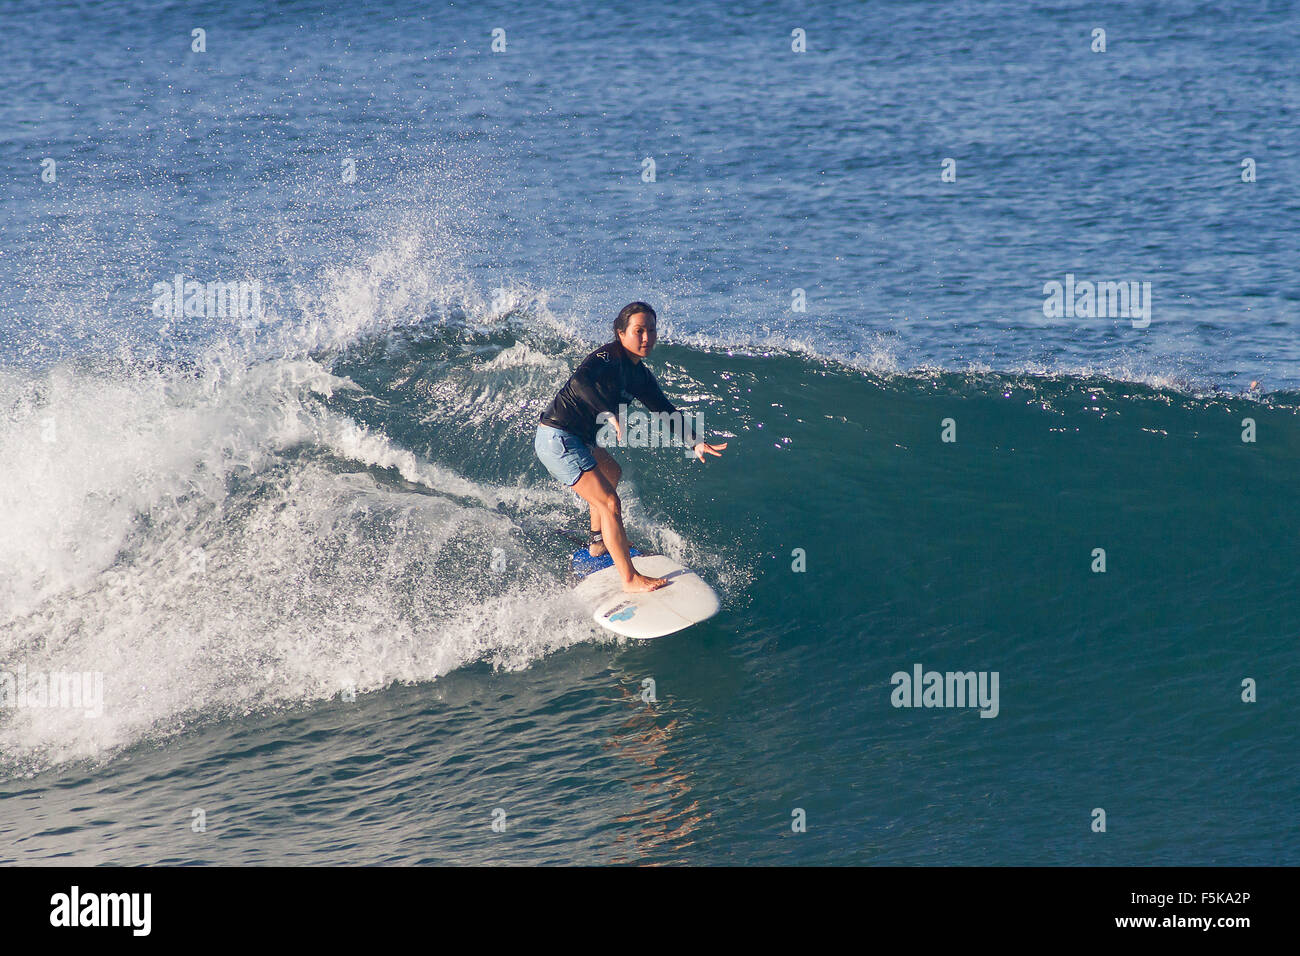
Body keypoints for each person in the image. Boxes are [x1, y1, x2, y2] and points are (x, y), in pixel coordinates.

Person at [534, 302, 727, 592]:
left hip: (580, 440)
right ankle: (630, 580)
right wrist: (607, 412)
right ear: (621, 333)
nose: (647, 337)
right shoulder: (606, 357)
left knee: (611, 471)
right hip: (558, 437)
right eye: (639, 331)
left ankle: (598, 543)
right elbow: (580, 383)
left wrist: (695, 441)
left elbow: (664, 410)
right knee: (610, 502)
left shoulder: (640, 375)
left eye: (651, 330)